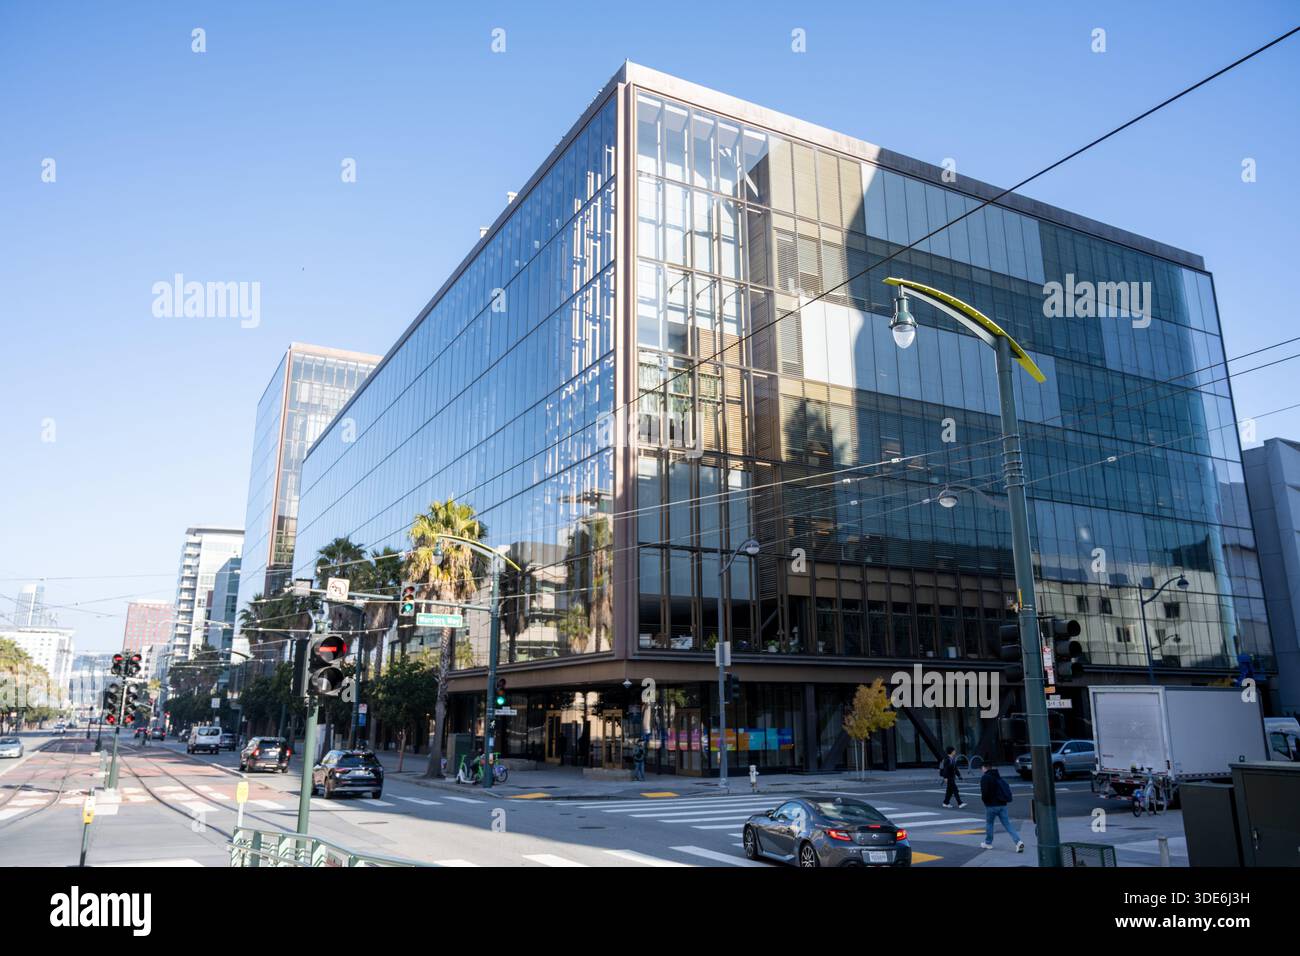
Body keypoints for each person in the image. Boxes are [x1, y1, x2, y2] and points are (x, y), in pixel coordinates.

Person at [979, 763, 1024, 852]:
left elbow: (984, 793)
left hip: (991, 805)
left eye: (981, 768)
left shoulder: (985, 777)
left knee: (990, 824)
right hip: (1002, 805)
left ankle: (988, 843)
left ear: (984, 768)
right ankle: (1018, 842)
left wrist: (986, 802)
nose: (981, 770)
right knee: (1007, 824)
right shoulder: (998, 776)